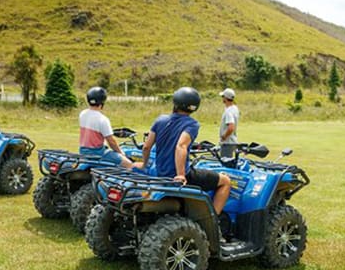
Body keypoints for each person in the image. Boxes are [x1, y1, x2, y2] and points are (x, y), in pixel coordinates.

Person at [141, 87, 231, 216]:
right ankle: (213, 217)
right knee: (225, 181)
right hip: (181, 175)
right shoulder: (192, 124)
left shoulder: (160, 120)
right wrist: (181, 175)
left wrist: (144, 164)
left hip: (161, 174)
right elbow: (181, 146)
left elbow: (146, 147)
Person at [79, 87, 139, 169]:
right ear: (102, 102)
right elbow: (111, 142)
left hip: (83, 151)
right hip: (98, 153)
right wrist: (121, 153)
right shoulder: (102, 119)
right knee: (129, 164)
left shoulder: (82, 114)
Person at [218, 88, 240, 159]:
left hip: (227, 143)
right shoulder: (235, 108)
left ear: (225, 98)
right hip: (232, 141)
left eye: (223, 97)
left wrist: (224, 137)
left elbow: (231, 127)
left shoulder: (228, 111)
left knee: (225, 162)